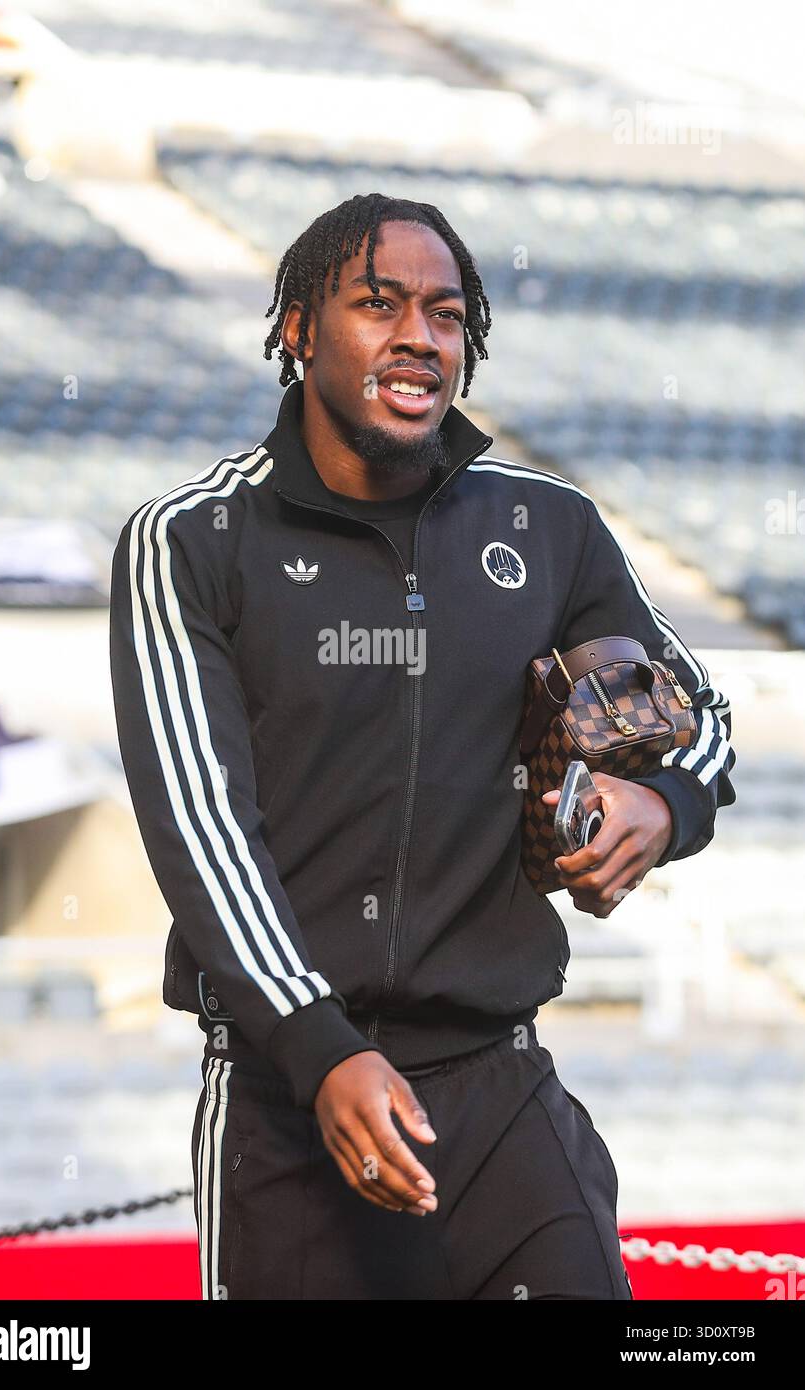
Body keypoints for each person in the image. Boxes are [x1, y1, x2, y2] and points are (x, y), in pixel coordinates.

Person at [108, 193, 737, 1300]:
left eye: (446, 315)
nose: (418, 336)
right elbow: (203, 831)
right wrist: (317, 1044)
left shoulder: (547, 528)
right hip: (290, 1105)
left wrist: (663, 806)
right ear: (298, 327)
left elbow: (696, 713)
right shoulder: (191, 542)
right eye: (377, 303)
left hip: (501, 1093)